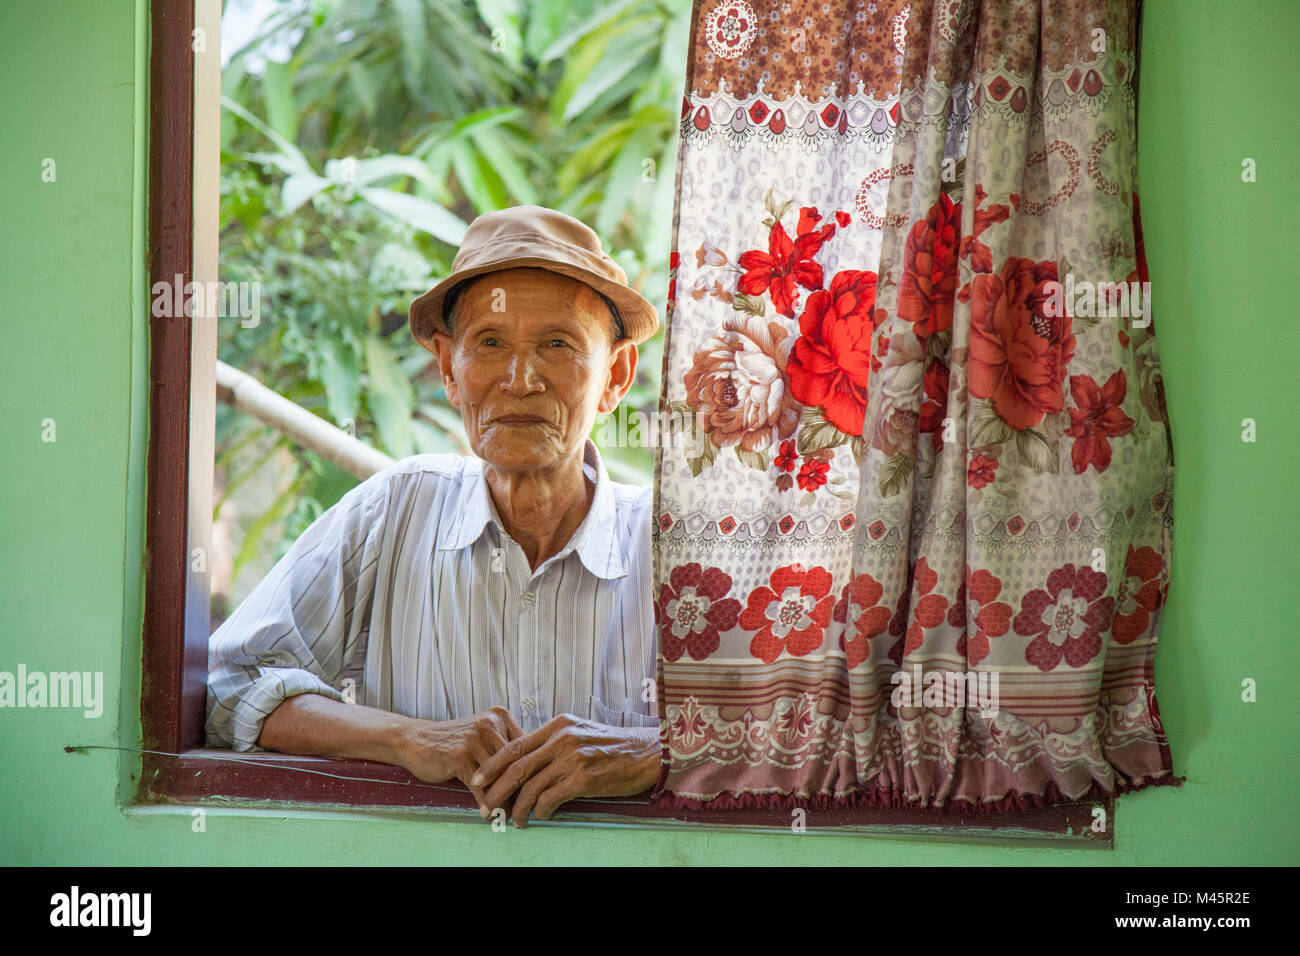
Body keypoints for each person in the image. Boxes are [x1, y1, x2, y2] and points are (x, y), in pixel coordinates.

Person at [206, 205, 662, 827]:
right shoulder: (397, 511)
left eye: (557, 345)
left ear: (616, 375)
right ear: (450, 369)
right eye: (490, 343)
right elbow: (232, 686)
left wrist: (655, 753)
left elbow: (799, 728)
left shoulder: (670, 546)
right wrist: (407, 738)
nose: (519, 379)